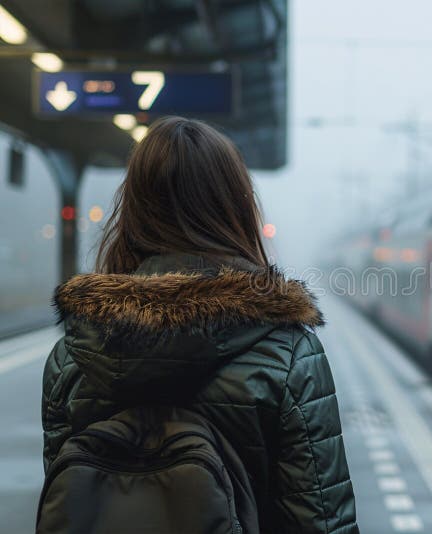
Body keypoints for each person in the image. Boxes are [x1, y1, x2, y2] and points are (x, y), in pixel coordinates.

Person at [41, 116, 358, 533]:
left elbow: (67, 507)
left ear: (133, 211)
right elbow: (319, 520)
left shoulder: (72, 357)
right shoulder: (289, 356)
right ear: (235, 208)